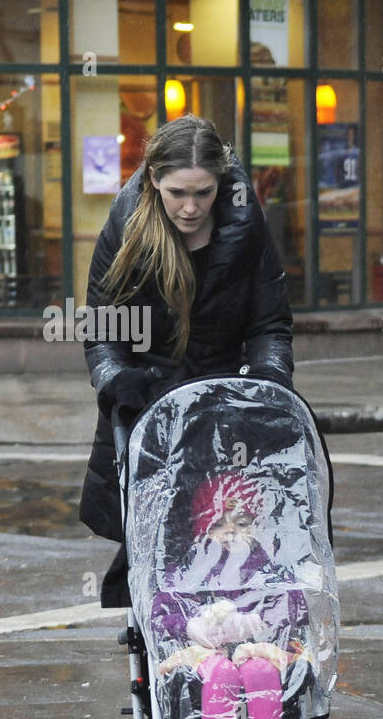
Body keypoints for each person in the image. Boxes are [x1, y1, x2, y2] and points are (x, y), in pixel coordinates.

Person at [78, 114, 295, 609]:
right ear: (154, 178)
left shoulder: (246, 226)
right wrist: (117, 381)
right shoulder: (128, 225)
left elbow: (269, 324)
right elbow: (102, 328)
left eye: (204, 192)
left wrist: (269, 381)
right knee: (164, 536)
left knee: (232, 533)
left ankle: (236, 642)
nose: (191, 207)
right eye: (178, 193)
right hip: (150, 399)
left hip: (228, 401)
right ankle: (166, 636)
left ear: (221, 182)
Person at [150, 471, 304, 719]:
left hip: (256, 651)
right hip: (204, 658)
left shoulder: (266, 568)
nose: (231, 530)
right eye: (219, 523)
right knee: (219, 671)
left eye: (243, 521)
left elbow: (290, 606)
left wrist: (258, 623)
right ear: (202, 529)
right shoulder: (187, 571)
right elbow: (161, 614)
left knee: (263, 668)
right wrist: (190, 625)